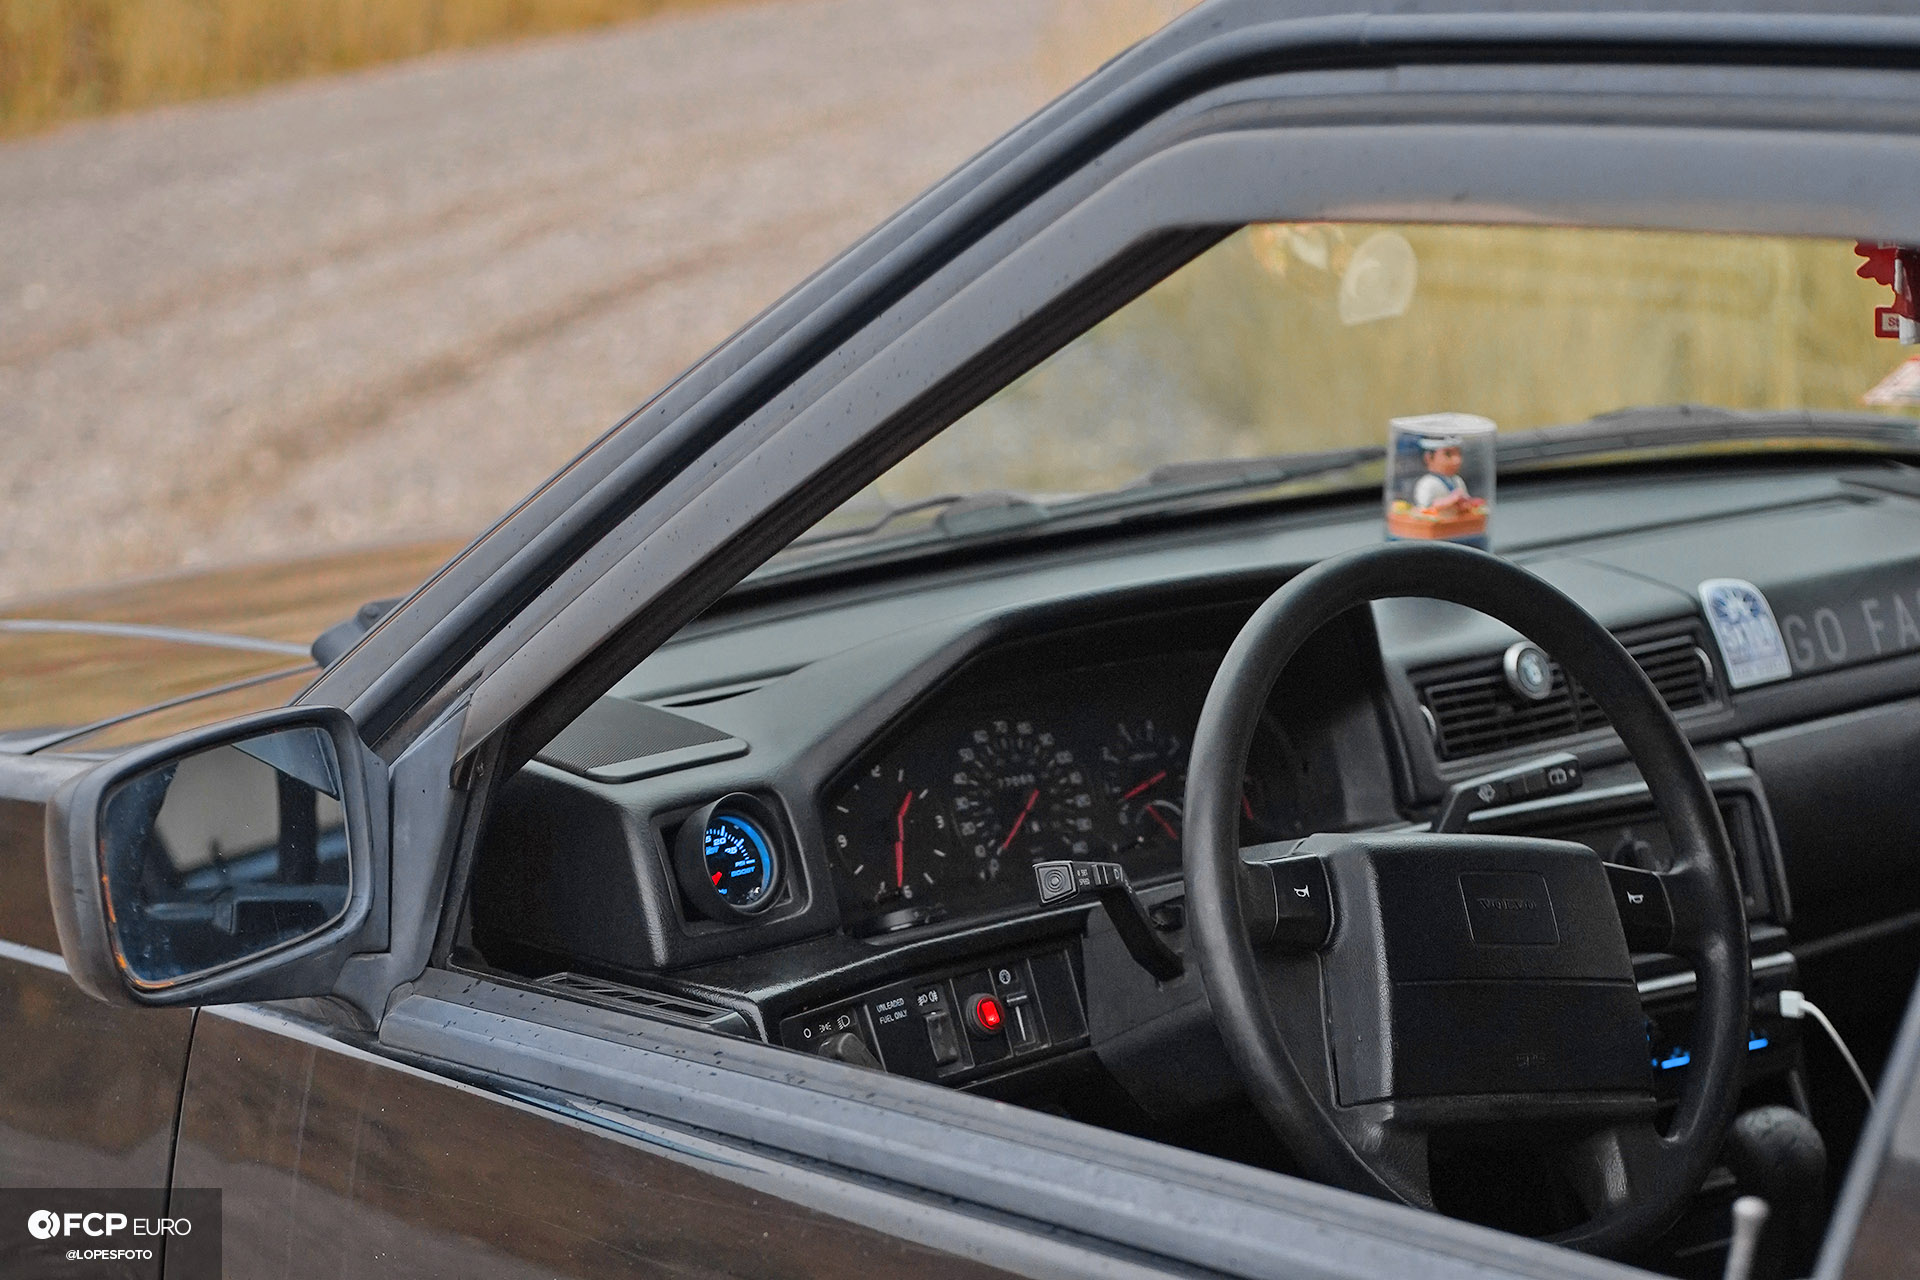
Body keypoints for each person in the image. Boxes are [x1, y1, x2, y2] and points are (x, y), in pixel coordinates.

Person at [1411, 435, 1474, 511]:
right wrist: (1450, 500)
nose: (1457, 460)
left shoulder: (1457, 480)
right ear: (1429, 458)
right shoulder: (1427, 483)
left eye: (1459, 454)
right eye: (1448, 454)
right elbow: (1425, 507)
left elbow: (1467, 501)